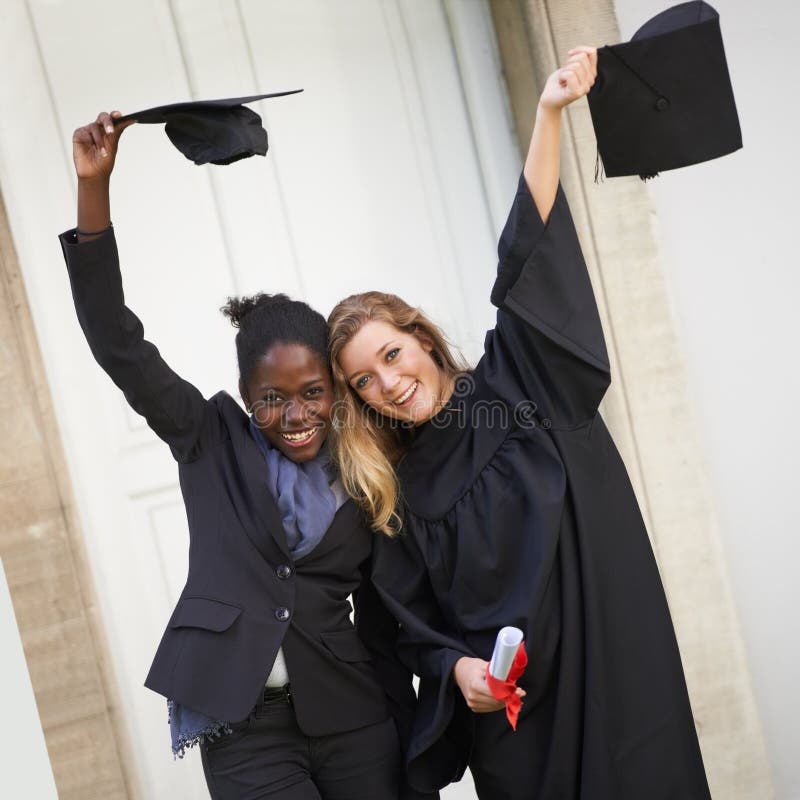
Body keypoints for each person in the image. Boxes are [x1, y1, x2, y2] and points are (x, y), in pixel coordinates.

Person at [328, 47, 712, 799]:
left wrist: (549, 114)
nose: (389, 383)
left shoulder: (521, 385)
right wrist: (458, 670)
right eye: (363, 381)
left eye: (393, 354)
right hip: (519, 729)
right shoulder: (397, 498)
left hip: (613, 676)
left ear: (423, 337)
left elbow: (527, 250)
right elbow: (409, 629)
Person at [60, 110, 431, 800]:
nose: (294, 416)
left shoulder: (366, 459)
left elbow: (389, 612)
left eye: (313, 391)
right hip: (245, 726)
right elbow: (116, 341)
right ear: (243, 393)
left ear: (334, 384)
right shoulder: (206, 437)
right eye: (272, 398)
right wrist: (94, 191)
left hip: (352, 714)